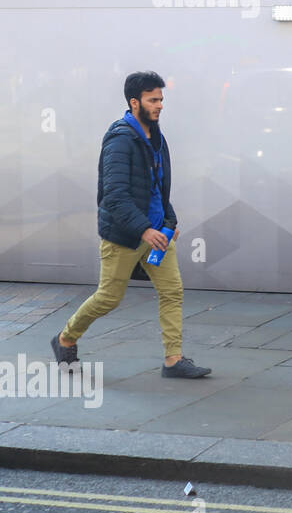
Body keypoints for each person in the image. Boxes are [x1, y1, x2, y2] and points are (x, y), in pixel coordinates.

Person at [51, 72, 211, 378]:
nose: (160, 105)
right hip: (125, 235)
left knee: (172, 291)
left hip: (156, 233)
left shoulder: (156, 137)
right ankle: (65, 338)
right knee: (108, 298)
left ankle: (173, 360)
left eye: (161, 99)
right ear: (134, 102)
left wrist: (169, 221)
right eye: (153, 100)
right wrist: (144, 230)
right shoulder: (120, 140)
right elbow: (114, 195)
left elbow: (157, 186)